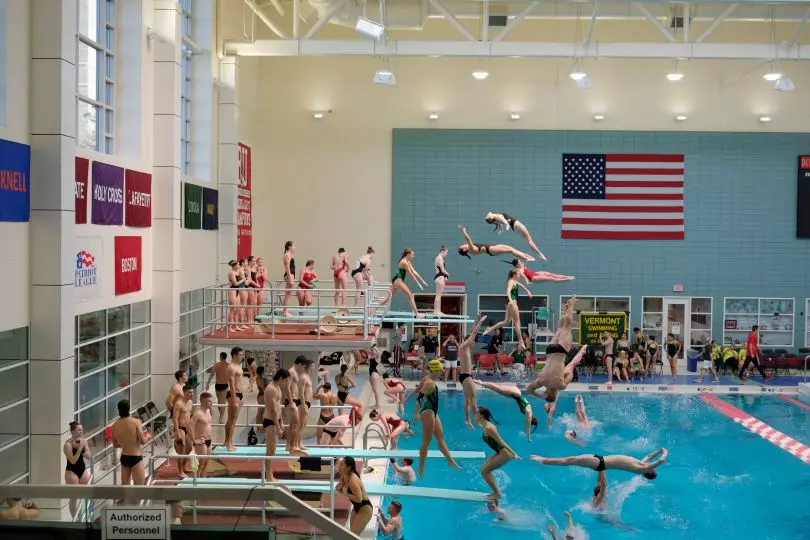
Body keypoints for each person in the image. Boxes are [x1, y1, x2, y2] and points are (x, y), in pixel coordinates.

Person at [526, 296, 588, 427]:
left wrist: (567, 375)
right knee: (560, 328)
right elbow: (529, 389)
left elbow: (570, 372)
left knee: (568, 326)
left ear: (553, 393)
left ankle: (570, 304)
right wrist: (540, 397)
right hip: (549, 350)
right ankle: (565, 308)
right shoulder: (541, 382)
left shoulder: (560, 385)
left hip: (560, 352)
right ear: (546, 392)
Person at [406, 359, 462, 478]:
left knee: (440, 437)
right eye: (440, 371)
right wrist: (415, 414)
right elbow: (419, 398)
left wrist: (406, 399)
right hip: (428, 413)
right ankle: (421, 466)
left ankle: (450, 460)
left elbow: (416, 391)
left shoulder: (426, 379)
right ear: (435, 370)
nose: (441, 373)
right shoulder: (429, 383)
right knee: (427, 442)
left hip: (433, 412)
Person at [529, 448, 669, 480]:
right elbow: (650, 456)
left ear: (650, 472)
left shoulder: (641, 469)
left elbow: (661, 461)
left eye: (653, 469)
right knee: (570, 459)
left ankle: (543, 460)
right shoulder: (641, 464)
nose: (653, 467)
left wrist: (665, 453)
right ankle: (544, 460)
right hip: (599, 460)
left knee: (569, 460)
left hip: (599, 463)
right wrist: (659, 450)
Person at [475, 407, 520, 500]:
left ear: (482, 416)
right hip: (500, 452)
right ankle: (496, 491)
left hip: (504, 453)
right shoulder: (483, 424)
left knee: (484, 471)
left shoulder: (489, 428)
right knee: (483, 470)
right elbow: (478, 423)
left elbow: (501, 441)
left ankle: (497, 493)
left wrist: (514, 453)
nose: (474, 414)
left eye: (476, 413)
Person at [483, 269, 532, 352]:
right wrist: (510, 300)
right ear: (514, 275)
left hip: (510, 304)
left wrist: (527, 291)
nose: (519, 276)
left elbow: (520, 285)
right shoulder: (511, 282)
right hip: (512, 303)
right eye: (518, 274)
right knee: (517, 323)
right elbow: (508, 291)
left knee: (506, 321)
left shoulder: (514, 281)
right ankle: (520, 340)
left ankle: (490, 329)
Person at [473, 379, 538, 441]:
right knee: (498, 388)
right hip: (517, 393)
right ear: (531, 420)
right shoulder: (529, 413)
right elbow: (528, 425)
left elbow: (527, 422)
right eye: (529, 421)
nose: (525, 420)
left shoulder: (528, 412)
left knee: (497, 390)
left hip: (515, 396)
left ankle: (484, 384)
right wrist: (529, 438)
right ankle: (480, 382)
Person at [459, 313, 488, 430]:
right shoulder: (463, 345)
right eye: (471, 340)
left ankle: (467, 420)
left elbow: (472, 332)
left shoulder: (466, 346)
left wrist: (476, 320)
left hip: (465, 375)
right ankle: (478, 421)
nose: (473, 341)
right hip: (466, 376)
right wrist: (480, 322)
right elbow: (473, 334)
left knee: (467, 400)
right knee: (473, 399)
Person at [111, 399, 150, 488]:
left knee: (126, 491)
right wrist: (148, 436)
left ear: (119, 410)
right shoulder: (136, 422)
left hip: (124, 458)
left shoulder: (114, 426)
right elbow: (143, 441)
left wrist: (125, 443)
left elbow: (115, 445)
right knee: (139, 489)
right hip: (136, 457)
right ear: (129, 409)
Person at [264, 369, 290, 481]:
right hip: (270, 421)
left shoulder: (277, 388)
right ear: (280, 378)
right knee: (270, 450)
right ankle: (269, 476)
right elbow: (273, 410)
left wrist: (281, 422)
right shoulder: (271, 389)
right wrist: (278, 426)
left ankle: (270, 475)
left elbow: (279, 408)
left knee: (272, 450)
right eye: (286, 381)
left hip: (275, 421)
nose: (286, 384)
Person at [457, 225, 535, 262]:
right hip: (491, 250)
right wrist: (464, 231)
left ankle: (526, 256)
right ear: (464, 249)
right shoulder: (471, 250)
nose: (463, 244)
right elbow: (468, 239)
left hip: (492, 247)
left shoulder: (471, 250)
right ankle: (526, 258)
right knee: (511, 251)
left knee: (511, 249)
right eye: (462, 245)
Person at [337, 456, 374, 534]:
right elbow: (338, 487)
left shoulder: (353, 480)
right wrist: (340, 487)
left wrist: (345, 493)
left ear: (349, 467)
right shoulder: (344, 475)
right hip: (356, 507)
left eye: (342, 465)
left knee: (353, 535)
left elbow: (359, 499)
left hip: (365, 509)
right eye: (339, 464)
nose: (339, 467)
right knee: (353, 535)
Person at [64, 421, 91, 516]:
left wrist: (81, 448)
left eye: (82, 429)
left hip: (82, 470)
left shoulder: (83, 441)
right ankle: (74, 518)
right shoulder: (68, 445)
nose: (81, 432)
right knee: (73, 498)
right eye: (79, 430)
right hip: (72, 472)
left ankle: (87, 514)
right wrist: (79, 449)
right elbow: (72, 461)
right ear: (73, 431)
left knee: (87, 493)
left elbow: (89, 456)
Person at [391, 248, 428, 318]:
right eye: (412, 255)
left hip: (397, 280)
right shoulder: (404, 262)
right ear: (408, 254)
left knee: (388, 298)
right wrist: (418, 284)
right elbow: (411, 274)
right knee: (410, 295)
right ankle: (417, 314)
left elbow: (414, 271)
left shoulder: (407, 261)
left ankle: (373, 310)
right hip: (398, 280)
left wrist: (422, 281)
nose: (413, 256)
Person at [224, 346, 245, 452]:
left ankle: (226, 441)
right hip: (234, 395)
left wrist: (242, 396)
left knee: (231, 420)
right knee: (232, 421)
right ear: (235, 355)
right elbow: (231, 385)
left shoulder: (238, 366)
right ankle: (229, 443)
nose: (242, 357)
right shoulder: (231, 367)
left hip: (238, 395)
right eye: (240, 355)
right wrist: (234, 399)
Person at [189, 391, 214, 478]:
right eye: (209, 401)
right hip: (201, 441)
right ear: (202, 401)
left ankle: (202, 479)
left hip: (209, 440)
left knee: (206, 462)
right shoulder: (197, 414)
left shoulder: (208, 411)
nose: (211, 403)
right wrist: (194, 441)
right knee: (201, 463)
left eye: (211, 401)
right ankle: (196, 481)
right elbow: (189, 427)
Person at [292, 356, 314, 454]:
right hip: (303, 403)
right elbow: (300, 392)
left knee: (303, 425)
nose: (314, 368)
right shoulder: (303, 377)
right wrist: (304, 404)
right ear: (308, 366)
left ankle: (300, 443)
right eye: (313, 366)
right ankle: (295, 444)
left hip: (307, 403)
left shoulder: (308, 376)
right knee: (299, 425)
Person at [172, 385, 194, 477]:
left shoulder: (190, 402)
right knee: (181, 450)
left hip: (187, 427)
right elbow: (174, 419)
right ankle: (180, 472)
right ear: (184, 392)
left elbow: (189, 416)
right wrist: (177, 432)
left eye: (192, 392)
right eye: (189, 392)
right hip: (180, 427)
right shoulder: (179, 403)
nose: (191, 394)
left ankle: (184, 467)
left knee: (189, 448)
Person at [206, 352, 230, 423]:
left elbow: (211, 375)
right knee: (221, 402)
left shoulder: (216, 365)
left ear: (220, 357)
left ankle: (221, 417)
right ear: (225, 357)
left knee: (221, 402)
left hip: (218, 385)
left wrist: (207, 383)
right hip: (224, 385)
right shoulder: (228, 365)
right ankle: (221, 415)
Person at [509, 259, 574, 284]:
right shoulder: (519, 270)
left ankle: (567, 276)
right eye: (519, 262)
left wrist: (531, 259)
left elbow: (526, 258)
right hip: (533, 278)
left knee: (550, 274)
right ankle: (567, 279)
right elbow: (524, 277)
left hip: (535, 273)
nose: (521, 262)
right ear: (517, 265)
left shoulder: (522, 265)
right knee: (551, 278)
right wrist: (528, 282)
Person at [227, 259, 246, 330]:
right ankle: (229, 327)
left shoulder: (237, 272)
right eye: (237, 265)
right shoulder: (231, 273)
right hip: (232, 290)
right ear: (234, 266)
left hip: (237, 291)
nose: (239, 266)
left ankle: (236, 326)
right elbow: (235, 283)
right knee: (232, 309)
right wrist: (243, 280)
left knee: (237, 309)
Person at [433, 245, 449, 315]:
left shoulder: (439, 258)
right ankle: (436, 311)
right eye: (446, 252)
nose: (446, 254)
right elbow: (442, 270)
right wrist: (447, 274)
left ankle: (437, 310)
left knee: (438, 295)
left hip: (439, 277)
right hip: (440, 277)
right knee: (439, 295)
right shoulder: (439, 258)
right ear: (442, 251)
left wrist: (445, 275)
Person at [282, 240, 296, 316]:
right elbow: (287, 267)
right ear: (289, 247)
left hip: (291, 274)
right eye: (293, 246)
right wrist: (289, 276)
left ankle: (286, 310)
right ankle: (285, 312)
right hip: (289, 274)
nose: (295, 248)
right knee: (287, 294)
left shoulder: (290, 255)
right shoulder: (287, 255)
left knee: (289, 294)